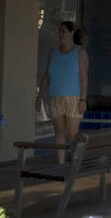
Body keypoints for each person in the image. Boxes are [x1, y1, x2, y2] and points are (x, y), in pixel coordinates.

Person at [36, 22, 89, 163]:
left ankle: (77, 159)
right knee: (59, 131)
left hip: (74, 98)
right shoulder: (54, 53)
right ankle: (61, 163)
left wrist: (83, 99)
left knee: (72, 132)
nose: (60, 34)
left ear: (71, 33)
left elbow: (84, 77)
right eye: (59, 31)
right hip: (55, 97)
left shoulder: (80, 52)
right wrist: (39, 96)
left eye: (63, 31)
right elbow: (47, 75)